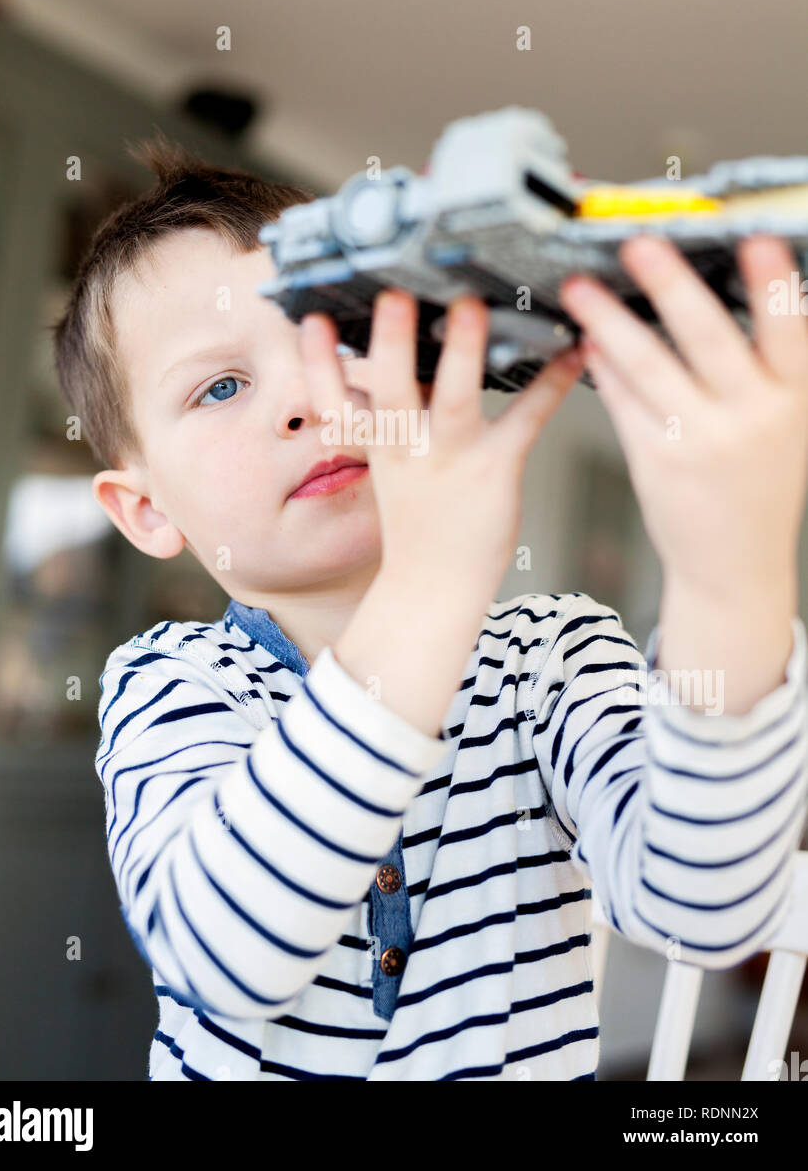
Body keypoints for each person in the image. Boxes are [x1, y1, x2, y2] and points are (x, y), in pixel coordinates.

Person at [52, 134, 808, 1081]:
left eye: (337, 339)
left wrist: (728, 573)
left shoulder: (554, 658)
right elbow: (222, 955)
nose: (304, 397)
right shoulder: (171, 685)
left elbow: (708, 908)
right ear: (148, 509)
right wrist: (432, 585)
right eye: (222, 385)